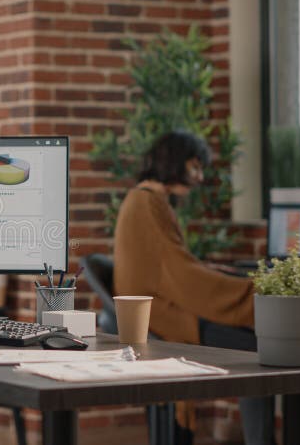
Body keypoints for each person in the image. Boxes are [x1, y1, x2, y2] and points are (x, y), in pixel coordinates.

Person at [113, 130, 274, 445]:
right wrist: (252, 292)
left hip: (161, 309)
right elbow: (178, 273)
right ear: (175, 162)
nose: (200, 177)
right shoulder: (146, 203)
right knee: (256, 347)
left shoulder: (147, 199)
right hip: (164, 315)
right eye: (195, 167)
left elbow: (172, 264)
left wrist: (219, 273)